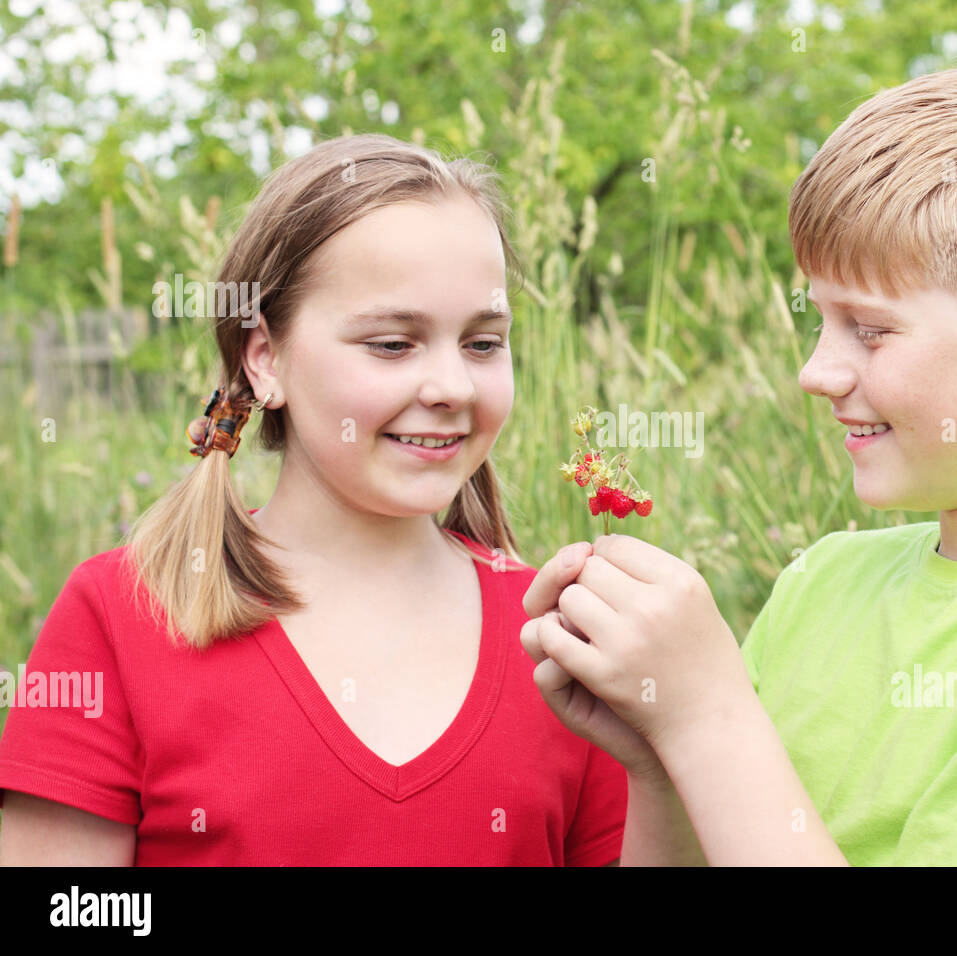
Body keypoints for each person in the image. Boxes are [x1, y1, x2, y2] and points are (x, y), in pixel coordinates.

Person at [520, 62, 957, 866]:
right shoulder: (823, 580)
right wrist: (663, 760)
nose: (815, 372)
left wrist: (707, 719)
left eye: (870, 329)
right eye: (820, 319)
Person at [0, 134, 627, 866]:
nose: (453, 387)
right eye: (394, 343)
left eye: (483, 344)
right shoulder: (123, 612)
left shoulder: (565, 640)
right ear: (264, 358)